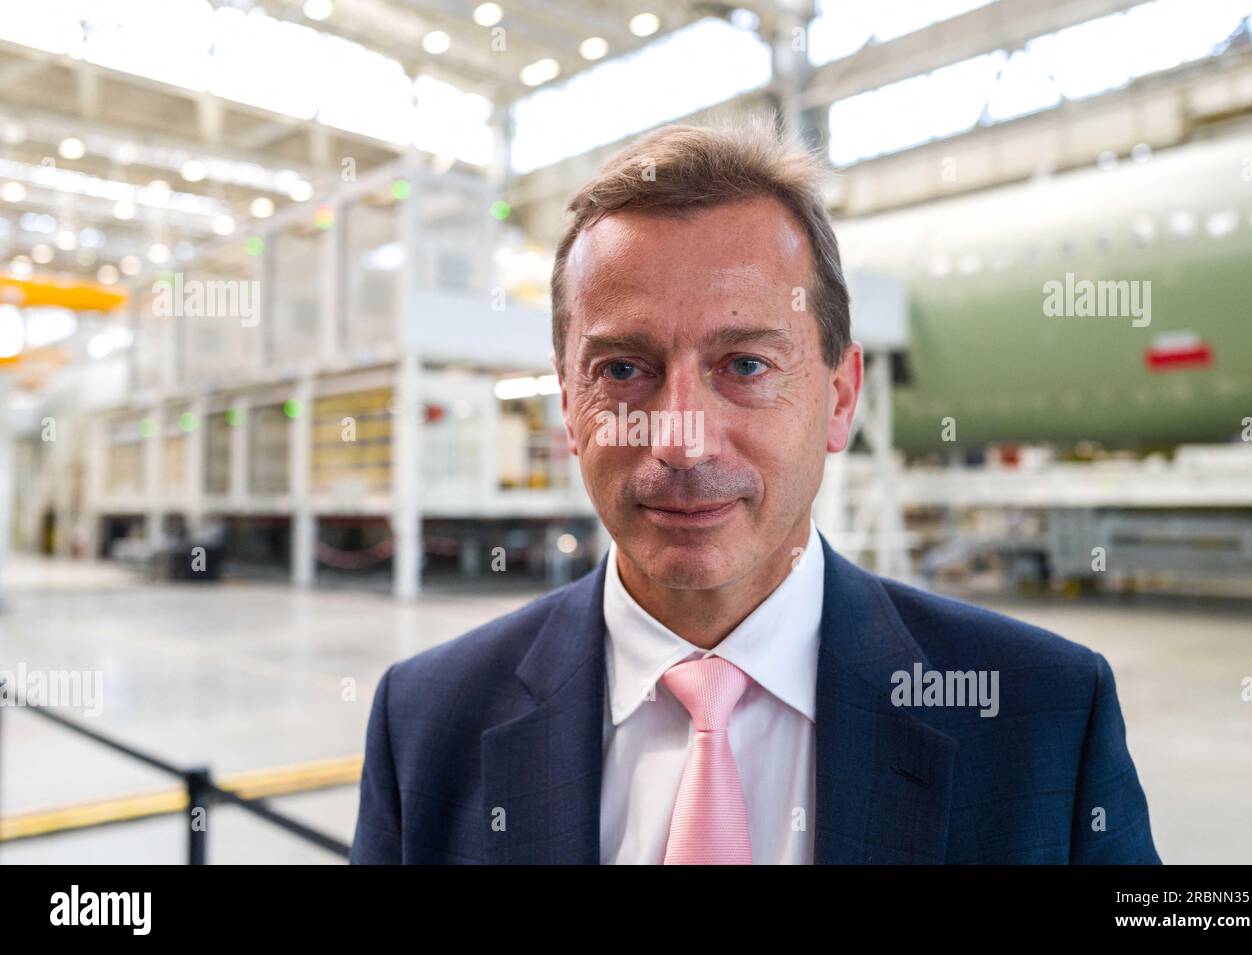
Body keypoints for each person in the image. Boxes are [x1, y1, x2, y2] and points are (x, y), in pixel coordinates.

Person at [350, 118, 1160, 865]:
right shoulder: (425, 724)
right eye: (623, 370)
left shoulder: (1044, 717)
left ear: (840, 398)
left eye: (745, 365)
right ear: (570, 408)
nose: (680, 440)